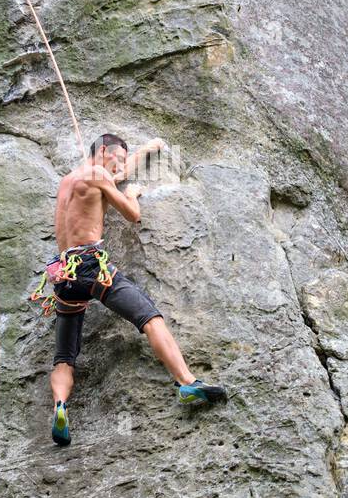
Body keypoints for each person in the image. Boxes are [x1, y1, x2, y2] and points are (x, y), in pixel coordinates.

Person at [37, 133, 226, 447]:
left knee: (64, 357)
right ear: (106, 153)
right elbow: (132, 215)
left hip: (63, 275)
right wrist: (135, 194)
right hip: (90, 267)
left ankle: (60, 406)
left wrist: (147, 151)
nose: (121, 167)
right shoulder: (98, 176)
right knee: (149, 318)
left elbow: (115, 175)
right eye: (119, 158)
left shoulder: (68, 180)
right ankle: (187, 383)